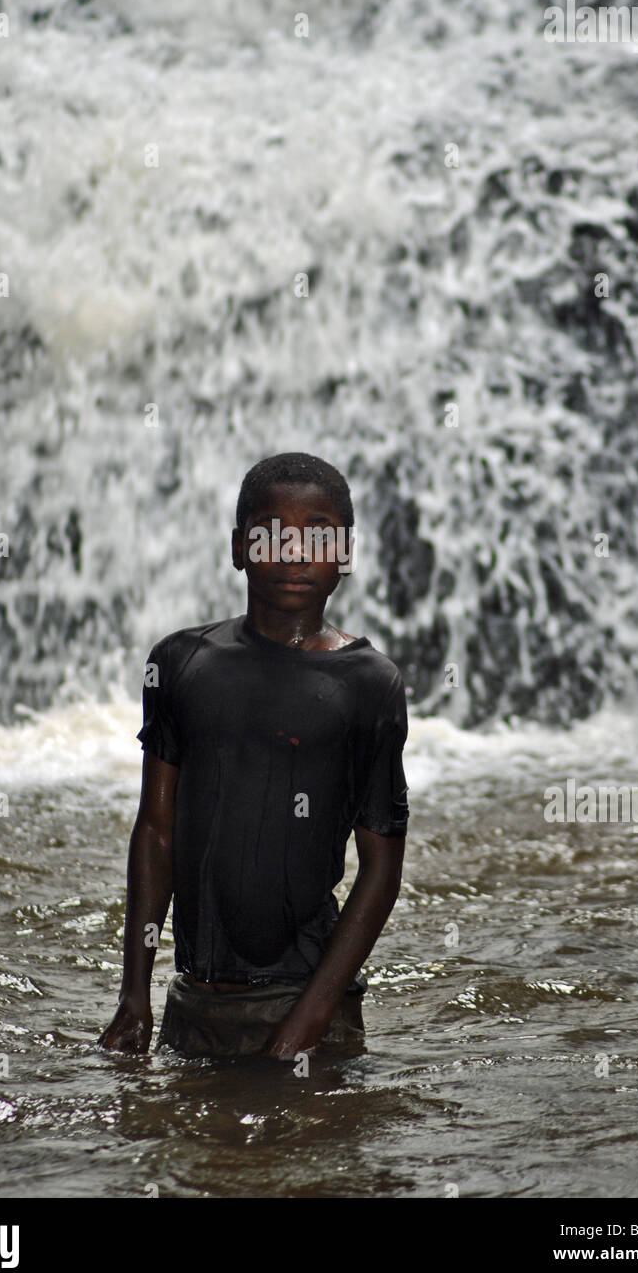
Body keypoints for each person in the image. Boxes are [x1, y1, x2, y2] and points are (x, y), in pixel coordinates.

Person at [98, 452, 409, 1060]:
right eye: (272, 535)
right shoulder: (181, 663)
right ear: (240, 548)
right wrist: (135, 996)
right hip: (192, 1006)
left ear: (344, 553)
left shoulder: (369, 684)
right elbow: (156, 833)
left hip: (305, 1006)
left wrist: (303, 1029)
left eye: (318, 535)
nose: (294, 553)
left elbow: (381, 870)